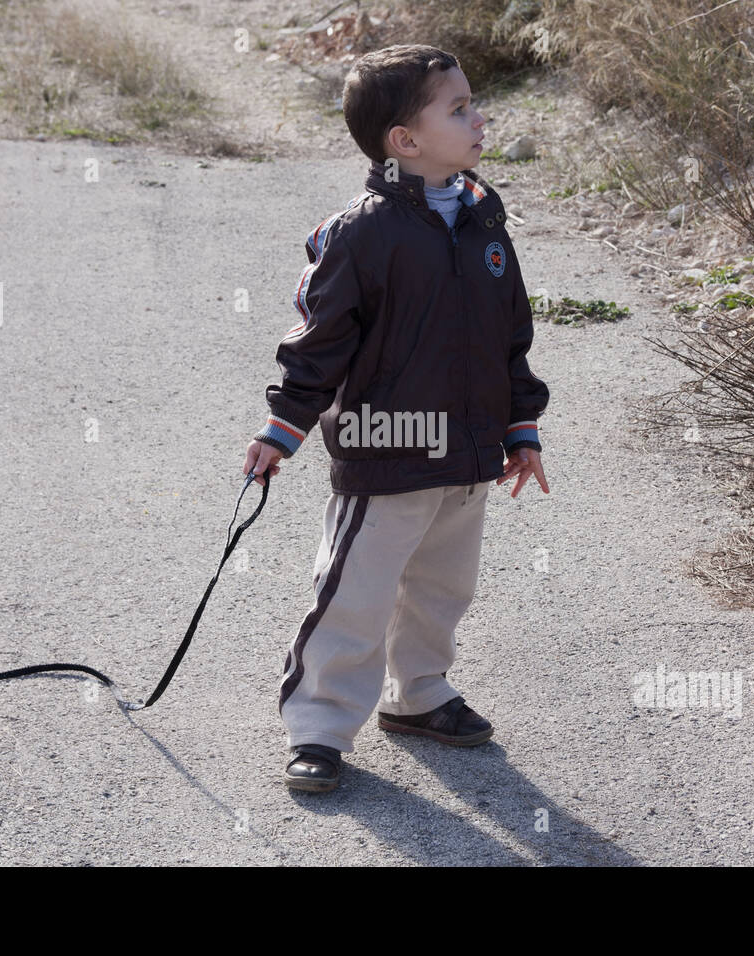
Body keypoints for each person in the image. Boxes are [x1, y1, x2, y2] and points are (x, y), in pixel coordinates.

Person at [243, 44, 550, 793]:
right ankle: (318, 725)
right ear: (404, 142)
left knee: (443, 587)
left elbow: (509, 334)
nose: (478, 117)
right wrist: (283, 427)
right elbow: (320, 340)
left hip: (467, 454)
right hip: (385, 453)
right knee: (355, 592)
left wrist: (520, 427)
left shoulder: (483, 219)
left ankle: (421, 693)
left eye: (472, 103)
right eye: (458, 109)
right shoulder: (360, 232)